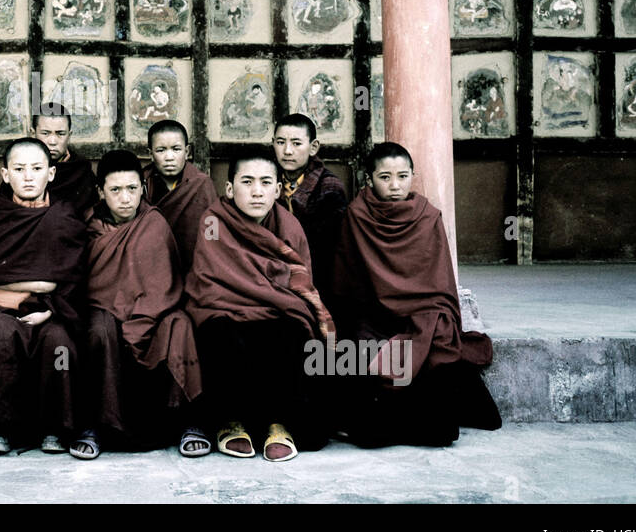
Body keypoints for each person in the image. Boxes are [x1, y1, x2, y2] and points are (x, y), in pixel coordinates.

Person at [328, 142, 502, 447]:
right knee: (365, 399)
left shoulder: (427, 216)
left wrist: (426, 325)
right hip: (375, 322)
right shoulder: (356, 215)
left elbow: (440, 285)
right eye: (384, 177)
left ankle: (395, 425)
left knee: (443, 431)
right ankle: (385, 425)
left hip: (423, 322)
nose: (394, 185)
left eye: (402, 176)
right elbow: (348, 284)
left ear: (413, 176)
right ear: (369, 179)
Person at [185, 148, 334, 462]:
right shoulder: (213, 222)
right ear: (229, 188)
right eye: (247, 182)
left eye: (266, 183)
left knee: (291, 332)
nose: (256, 191)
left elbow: (300, 284)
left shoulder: (289, 225)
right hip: (224, 308)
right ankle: (231, 421)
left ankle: (278, 423)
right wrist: (260, 293)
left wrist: (272, 298)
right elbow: (208, 282)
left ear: (278, 190)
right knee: (221, 333)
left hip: (276, 309)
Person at [71, 150, 206, 460]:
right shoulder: (88, 227)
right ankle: (95, 426)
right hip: (104, 312)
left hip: (150, 315)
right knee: (99, 328)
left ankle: (188, 423)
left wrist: (138, 321)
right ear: (100, 192)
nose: (125, 198)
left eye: (132, 189)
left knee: (180, 324)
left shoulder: (154, 223)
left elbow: (166, 286)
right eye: (115, 190)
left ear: (143, 189)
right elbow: (81, 285)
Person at [0, 137, 88, 455]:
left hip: (51, 311)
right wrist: (42, 285)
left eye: (37, 168)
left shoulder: (64, 216)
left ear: (51, 174)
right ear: (5, 174)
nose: (28, 176)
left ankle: (55, 429)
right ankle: (1, 429)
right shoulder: (0, 212)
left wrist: (50, 306)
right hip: (3, 310)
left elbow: (74, 275)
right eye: (19, 169)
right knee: (1, 338)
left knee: (60, 346)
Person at [272, 113, 347, 300]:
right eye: (280, 142)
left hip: (317, 273)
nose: (287, 151)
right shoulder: (267, 179)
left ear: (313, 147)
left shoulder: (329, 187)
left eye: (296, 144)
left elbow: (327, 247)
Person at [142, 119, 214, 276]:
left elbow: (212, 232)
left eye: (176, 149)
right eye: (161, 150)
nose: (169, 157)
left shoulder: (201, 184)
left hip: (193, 266)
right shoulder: (142, 183)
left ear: (187, 152)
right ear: (150, 154)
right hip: (152, 266)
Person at [6, 101, 98, 217]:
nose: (52, 141)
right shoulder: (18, 169)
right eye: (45, 133)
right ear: (33, 133)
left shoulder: (81, 171)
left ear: (69, 135)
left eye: (60, 134)